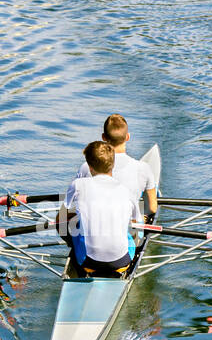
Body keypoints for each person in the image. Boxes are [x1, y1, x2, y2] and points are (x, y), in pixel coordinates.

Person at [61, 141, 140, 277]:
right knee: (132, 234)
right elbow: (136, 223)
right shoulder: (127, 191)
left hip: (89, 262)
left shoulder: (77, 185)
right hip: (121, 262)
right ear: (113, 165)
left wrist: (68, 240)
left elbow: (61, 219)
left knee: (75, 226)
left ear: (89, 167)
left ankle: (78, 259)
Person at [71, 114, 158, 218]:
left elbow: (73, 202)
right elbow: (152, 208)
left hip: (95, 228)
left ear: (103, 137)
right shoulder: (144, 168)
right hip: (131, 230)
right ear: (127, 137)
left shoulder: (88, 166)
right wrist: (143, 217)